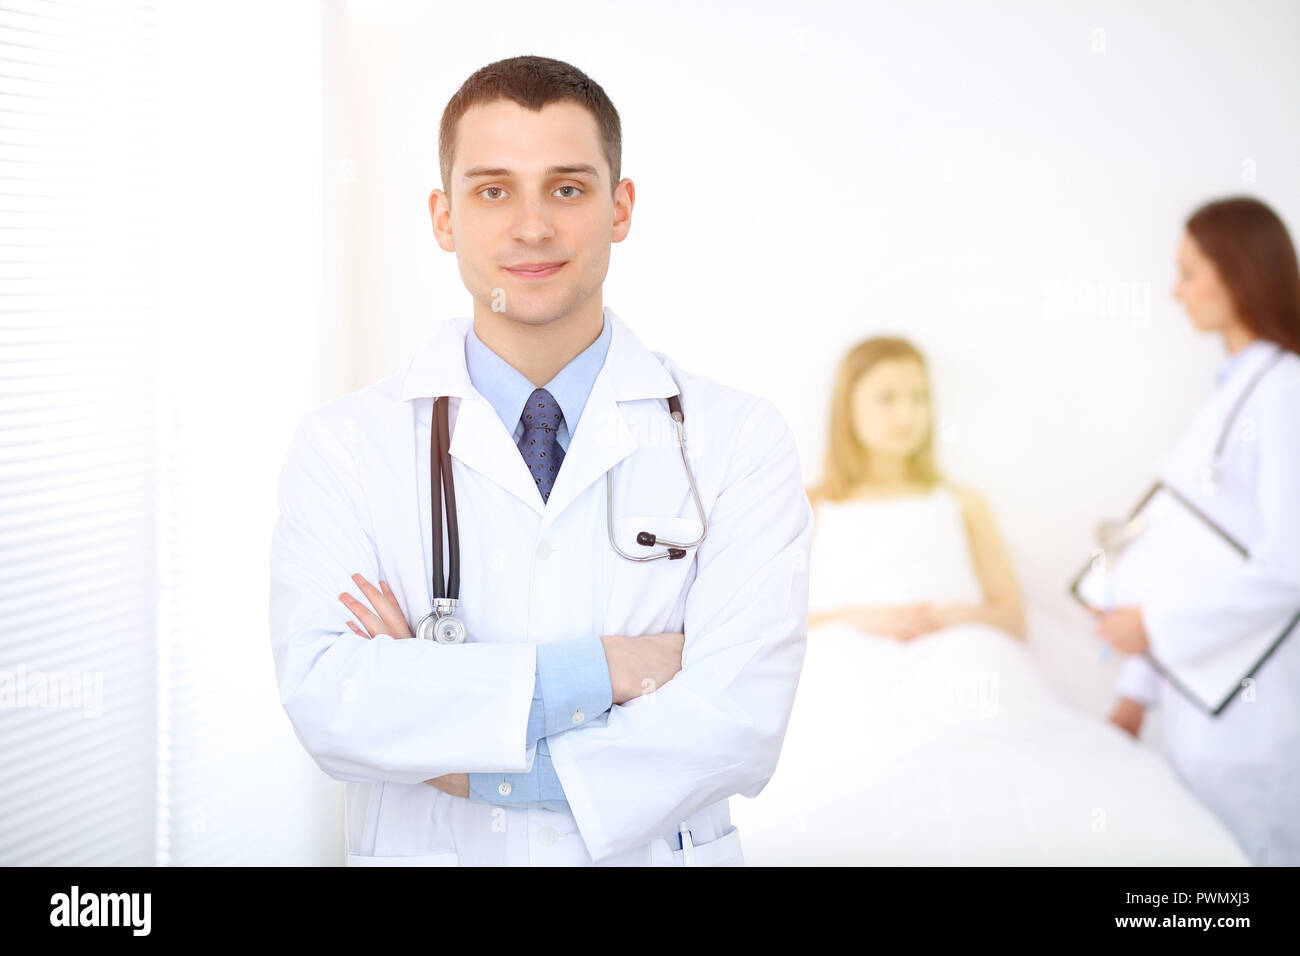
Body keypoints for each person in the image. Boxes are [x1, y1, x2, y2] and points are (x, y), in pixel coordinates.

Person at [268, 55, 814, 866]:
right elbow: (332, 703)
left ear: (619, 208)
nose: (532, 228)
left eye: (567, 189)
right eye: (493, 191)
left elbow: (735, 726)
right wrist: (607, 668)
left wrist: (460, 752)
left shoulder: (737, 439)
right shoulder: (344, 447)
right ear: (444, 217)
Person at [1099, 196, 1300, 866]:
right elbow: (1183, 552)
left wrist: (1152, 626)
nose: (1175, 292)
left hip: (1255, 721)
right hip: (1202, 710)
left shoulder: (1285, 391)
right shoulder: (1235, 391)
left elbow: (1290, 566)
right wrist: (1135, 693)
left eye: (1188, 273)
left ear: (1238, 273)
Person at [807, 337, 1025, 641]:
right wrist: (860, 620)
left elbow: (1013, 619)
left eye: (919, 397)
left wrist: (956, 618)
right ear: (848, 407)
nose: (906, 414)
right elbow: (773, 623)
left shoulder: (963, 503)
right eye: (886, 398)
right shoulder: (810, 505)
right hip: (847, 656)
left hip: (958, 650)